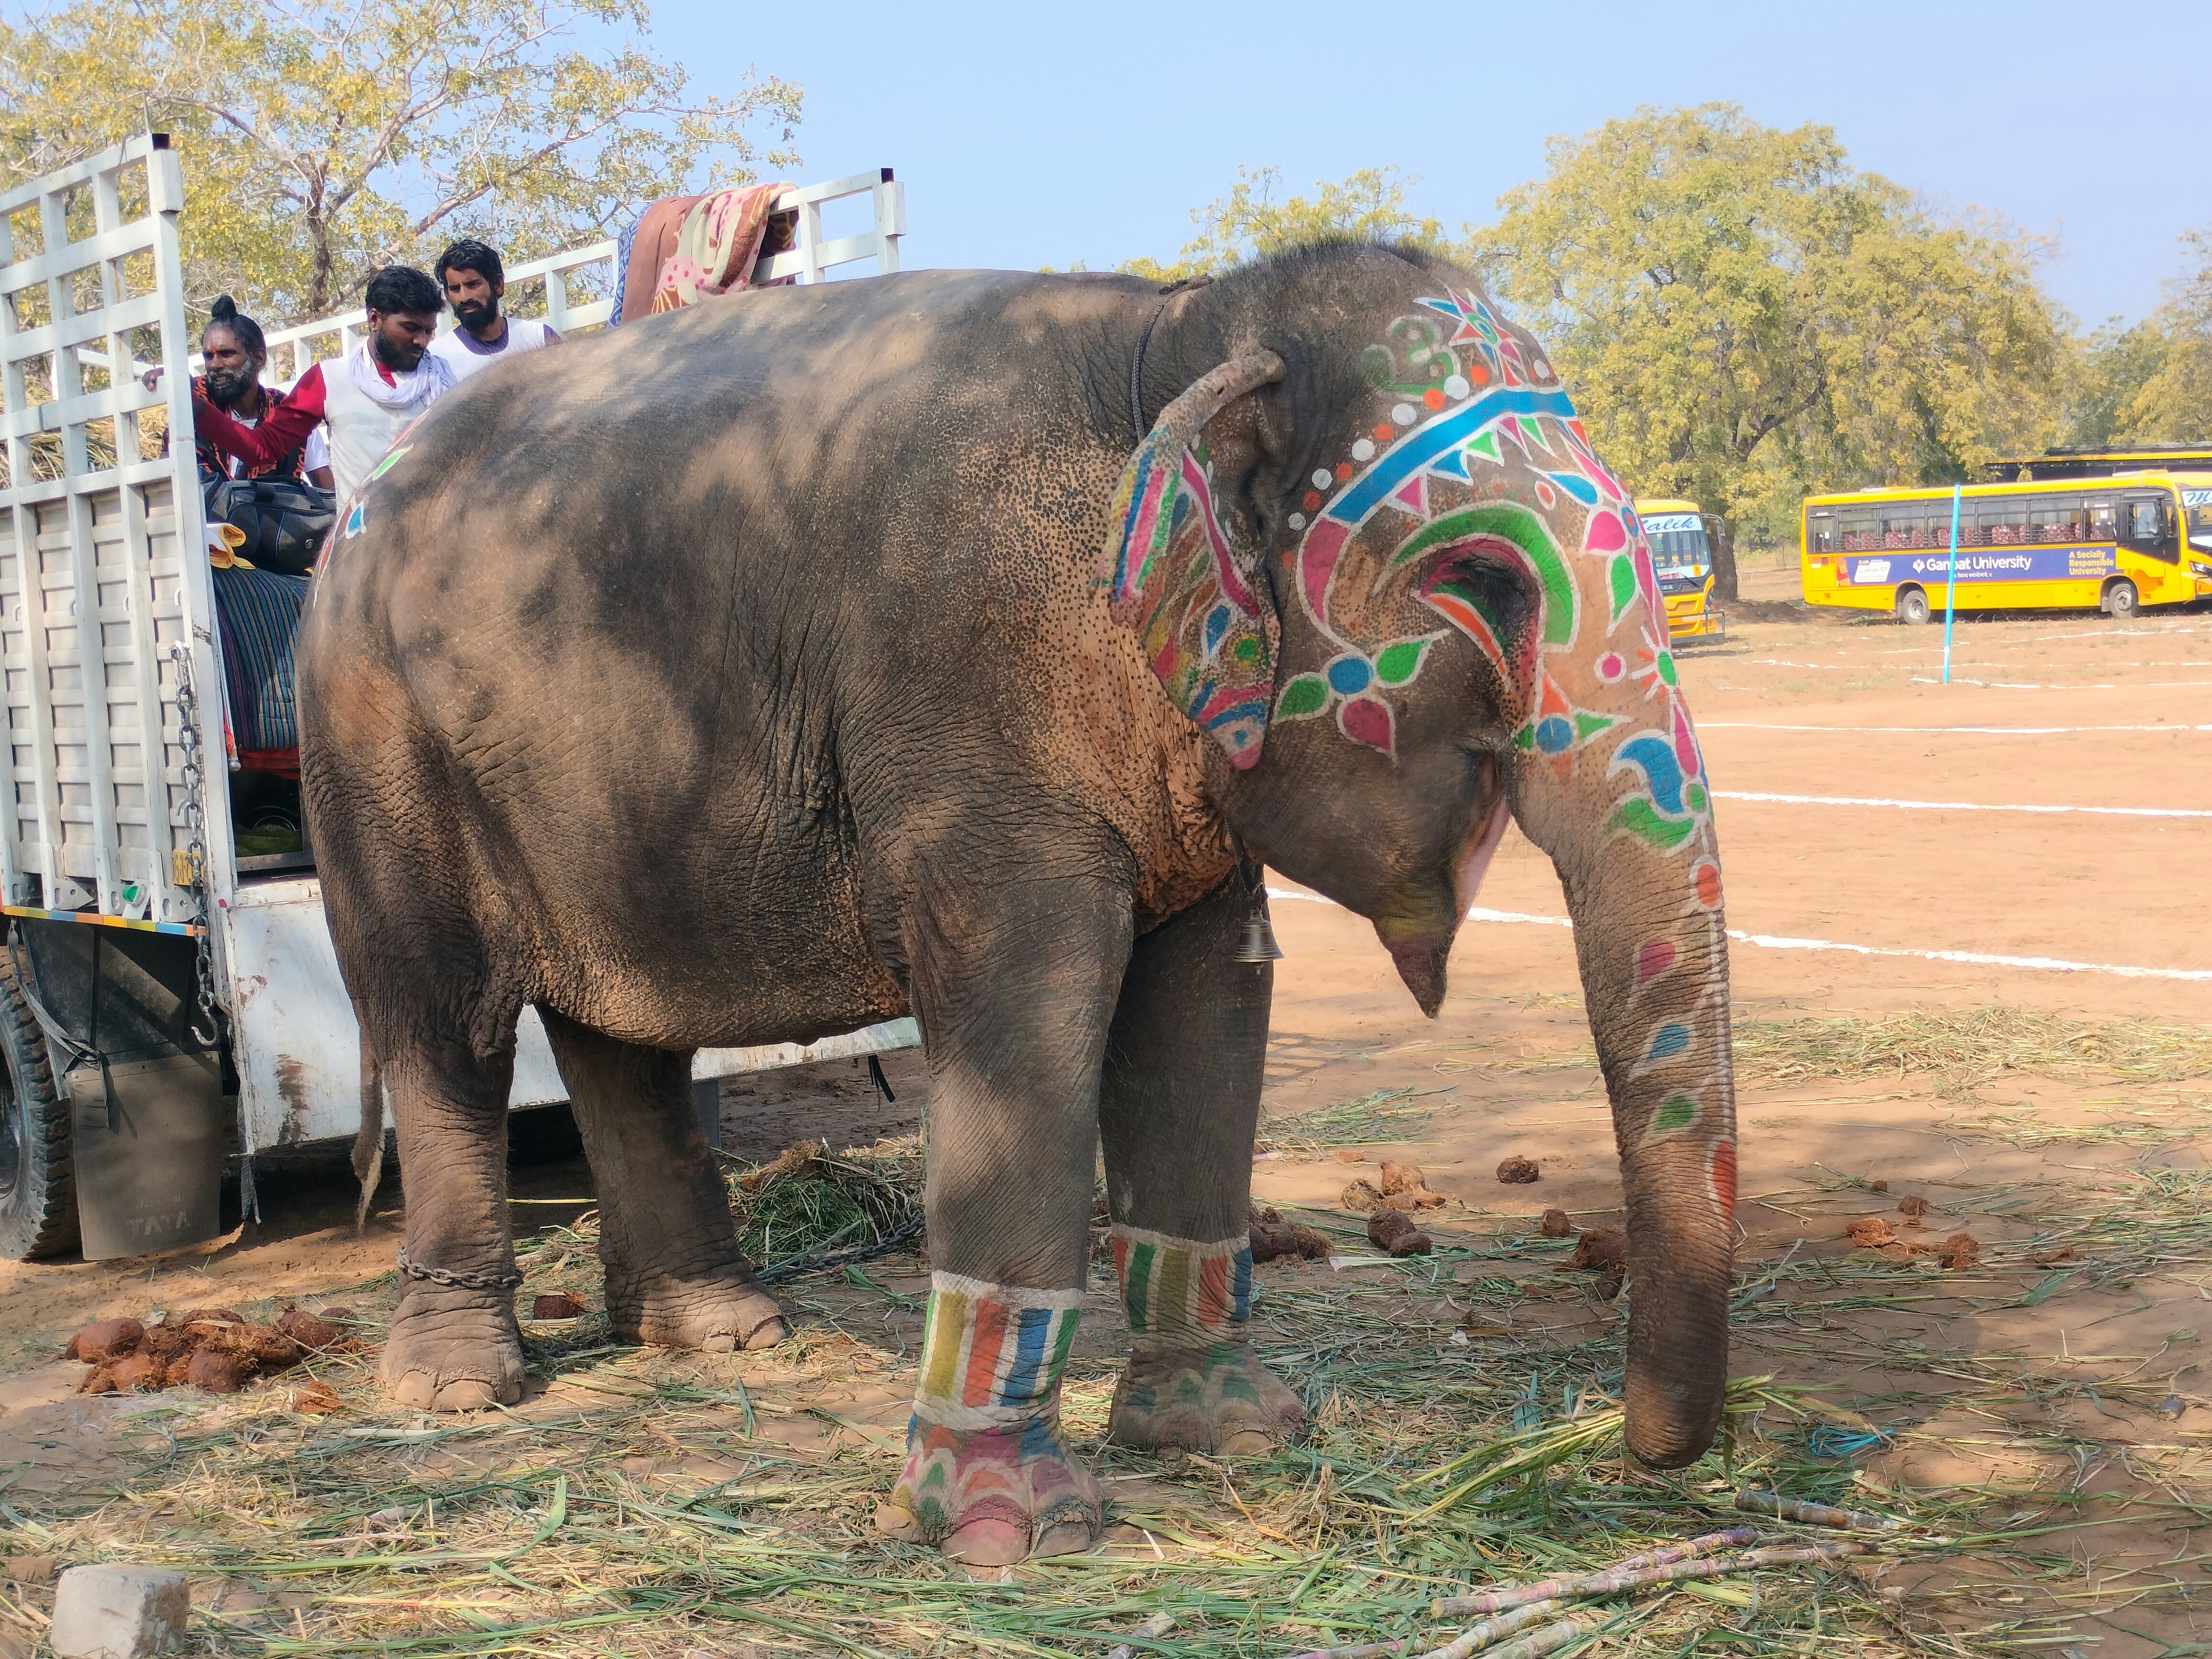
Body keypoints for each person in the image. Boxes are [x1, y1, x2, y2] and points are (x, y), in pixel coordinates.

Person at [184, 265, 455, 504]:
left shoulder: (445, 382)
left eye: (428, 331)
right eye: (410, 328)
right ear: (374, 320)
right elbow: (262, 449)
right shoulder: (328, 379)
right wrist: (194, 407)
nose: (422, 341)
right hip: (363, 546)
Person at [195, 297, 333, 491]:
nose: (215, 365)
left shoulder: (290, 416)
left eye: (227, 354)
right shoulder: (193, 401)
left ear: (259, 359)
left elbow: (330, 496)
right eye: (209, 356)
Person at [429, 239, 557, 381]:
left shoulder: (539, 338)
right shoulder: (437, 359)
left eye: (473, 285)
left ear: (498, 285)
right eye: (455, 289)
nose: (464, 298)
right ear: (447, 294)